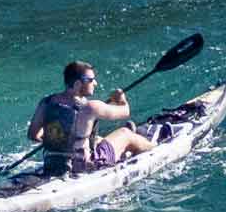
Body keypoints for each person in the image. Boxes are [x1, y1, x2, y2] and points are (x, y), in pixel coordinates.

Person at [28, 60, 157, 177]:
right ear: (78, 84)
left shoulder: (46, 102)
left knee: (96, 139)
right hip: (83, 167)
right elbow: (125, 111)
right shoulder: (91, 107)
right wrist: (121, 100)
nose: (95, 83)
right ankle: (155, 148)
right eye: (91, 80)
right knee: (125, 133)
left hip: (52, 165)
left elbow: (33, 135)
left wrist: (60, 138)